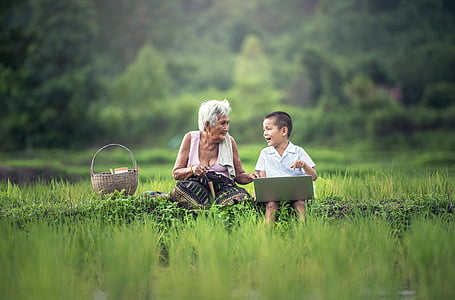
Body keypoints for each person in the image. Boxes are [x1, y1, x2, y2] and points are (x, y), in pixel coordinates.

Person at [170, 99, 257, 209]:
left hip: (223, 187)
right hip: (197, 186)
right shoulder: (191, 138)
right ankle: (207, 209)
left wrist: (250, 177)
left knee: (241, 197)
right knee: (182, 190)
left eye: (227, 123)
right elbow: (176, 173)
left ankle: (212, 207)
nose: (226, 128)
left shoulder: (230, 142)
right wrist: (192, 169)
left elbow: (239, 176)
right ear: (207, 125)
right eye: (222, 123)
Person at [255, 111, 318, 224]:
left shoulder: (298, 152)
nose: (265, 133)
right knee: (271, 206)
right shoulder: (265, 153)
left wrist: (304, 165)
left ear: (284, 131)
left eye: (269, 129)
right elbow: (262, 177)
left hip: (296, 194)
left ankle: (303, 231)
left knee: (300, 205)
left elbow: (313, 176)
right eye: (264, 130)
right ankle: (267, 234)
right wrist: (259, 192)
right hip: (273, 195)